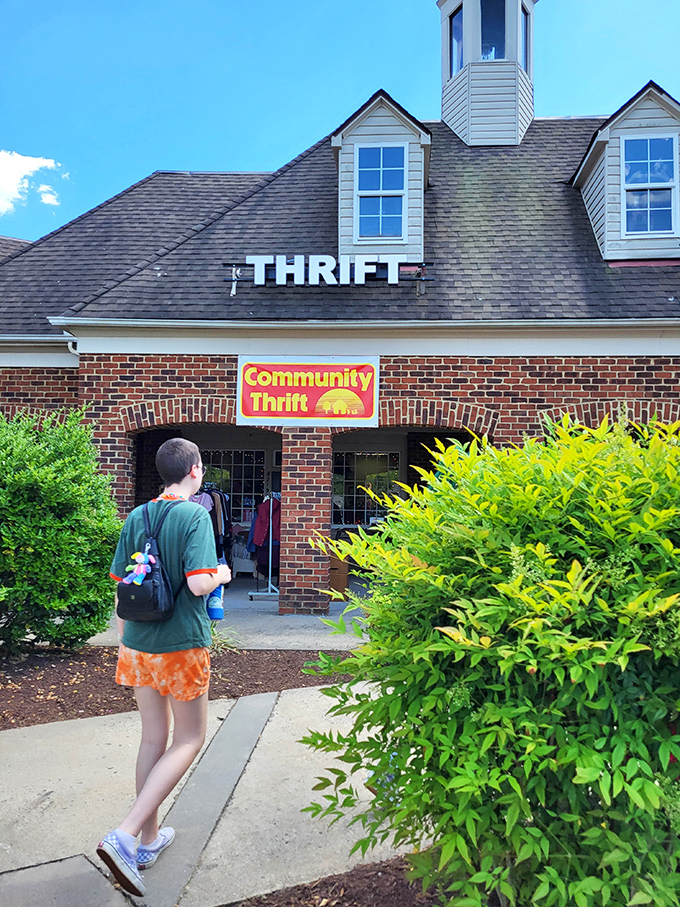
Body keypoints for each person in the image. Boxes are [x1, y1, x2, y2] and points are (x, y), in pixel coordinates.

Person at [97, 438, 231, 898]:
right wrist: (222, 574)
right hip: (180, 647)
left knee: (152, 738)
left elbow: (120, 587)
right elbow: (197, 585)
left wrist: (126, 636)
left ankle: (149, 841)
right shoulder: (195, 514)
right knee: (190, 737)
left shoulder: (137, 516)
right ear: (195, 470)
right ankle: (126, 833)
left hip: (137, 646)